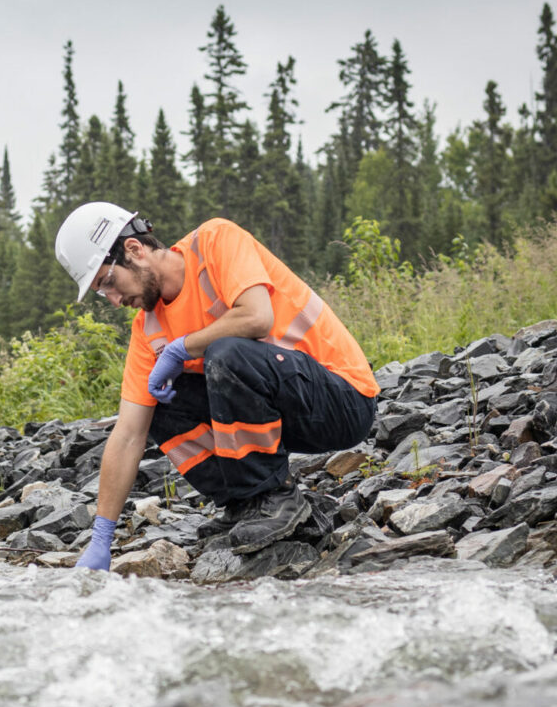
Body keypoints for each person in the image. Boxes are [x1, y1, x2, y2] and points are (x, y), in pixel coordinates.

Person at [52, 202, 380, 571]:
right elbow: (128, 434)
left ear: (134, 250)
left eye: (108, 283)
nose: (113, 300)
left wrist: (183, 347)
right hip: (285, 417)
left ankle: (276, 498)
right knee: (157, 399)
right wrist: (101, 537)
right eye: (101, 293)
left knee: (225, 353)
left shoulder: (215, 241)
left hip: (343, 401)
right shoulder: (147, 330)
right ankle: (248, 502)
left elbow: (257, 317)